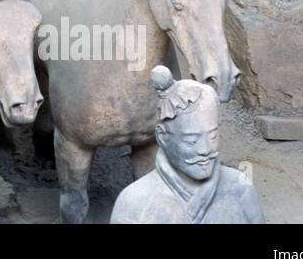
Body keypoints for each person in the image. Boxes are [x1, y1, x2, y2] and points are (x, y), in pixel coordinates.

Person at [111, 66, 266, 224]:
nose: (205, 150)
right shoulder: (134, 202)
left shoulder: (240, 187)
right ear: (162, 137)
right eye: (191, 141)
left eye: (212, 136)